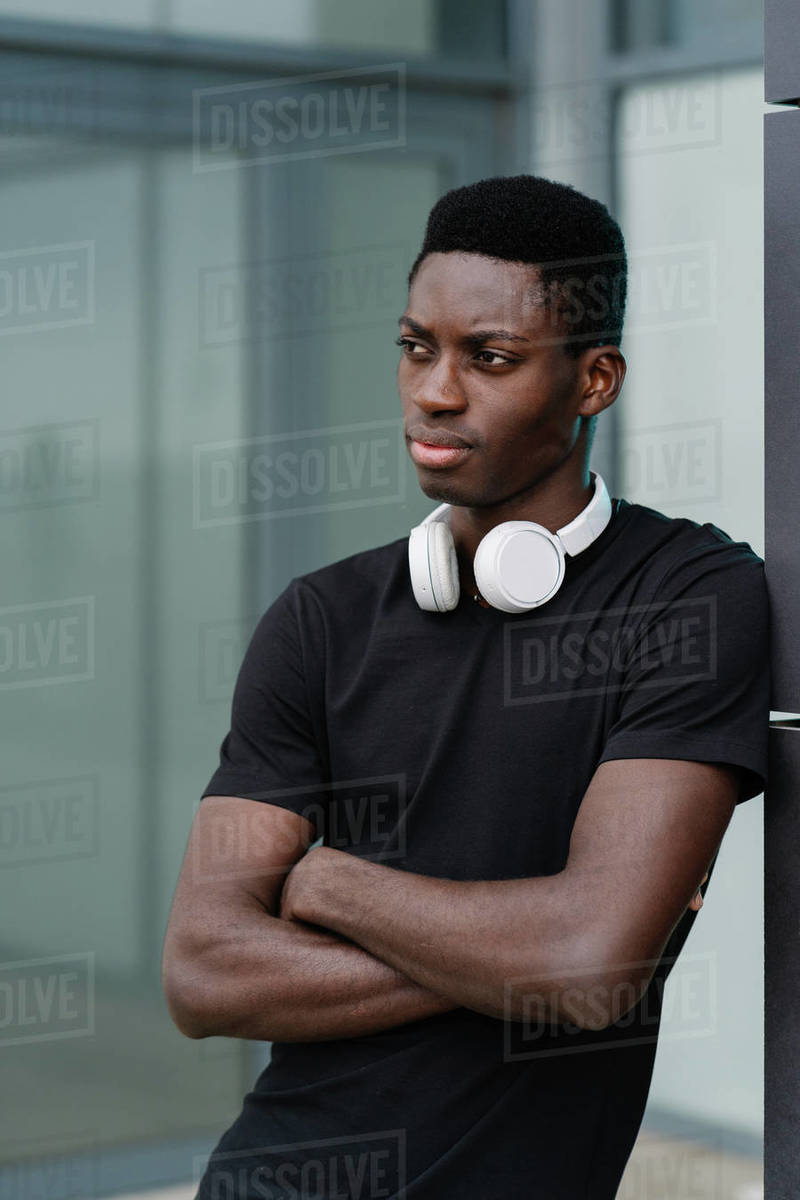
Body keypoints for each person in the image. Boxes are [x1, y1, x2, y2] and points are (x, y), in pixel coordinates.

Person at [162, 174, 771, 1200]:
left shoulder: (690, 596)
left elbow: (587, 970)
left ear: (593, 380)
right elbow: (201, 974)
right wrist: (530, 959)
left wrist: (323, 884)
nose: (433, 393)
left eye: (489, 358)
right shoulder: (319, 621)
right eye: (415, 348)